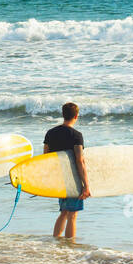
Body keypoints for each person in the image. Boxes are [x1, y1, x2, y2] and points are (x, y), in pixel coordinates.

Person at [45, 102, 90, 239]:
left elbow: (45, 157)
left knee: (64, 211)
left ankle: (56, 241)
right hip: (73, 178)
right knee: (72, 214)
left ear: (63, 115)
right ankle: (69, 248)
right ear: (76, 116)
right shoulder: (76, 135)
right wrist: (86, 185)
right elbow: (79, 160)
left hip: (59, 177)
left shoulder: (50, 133)